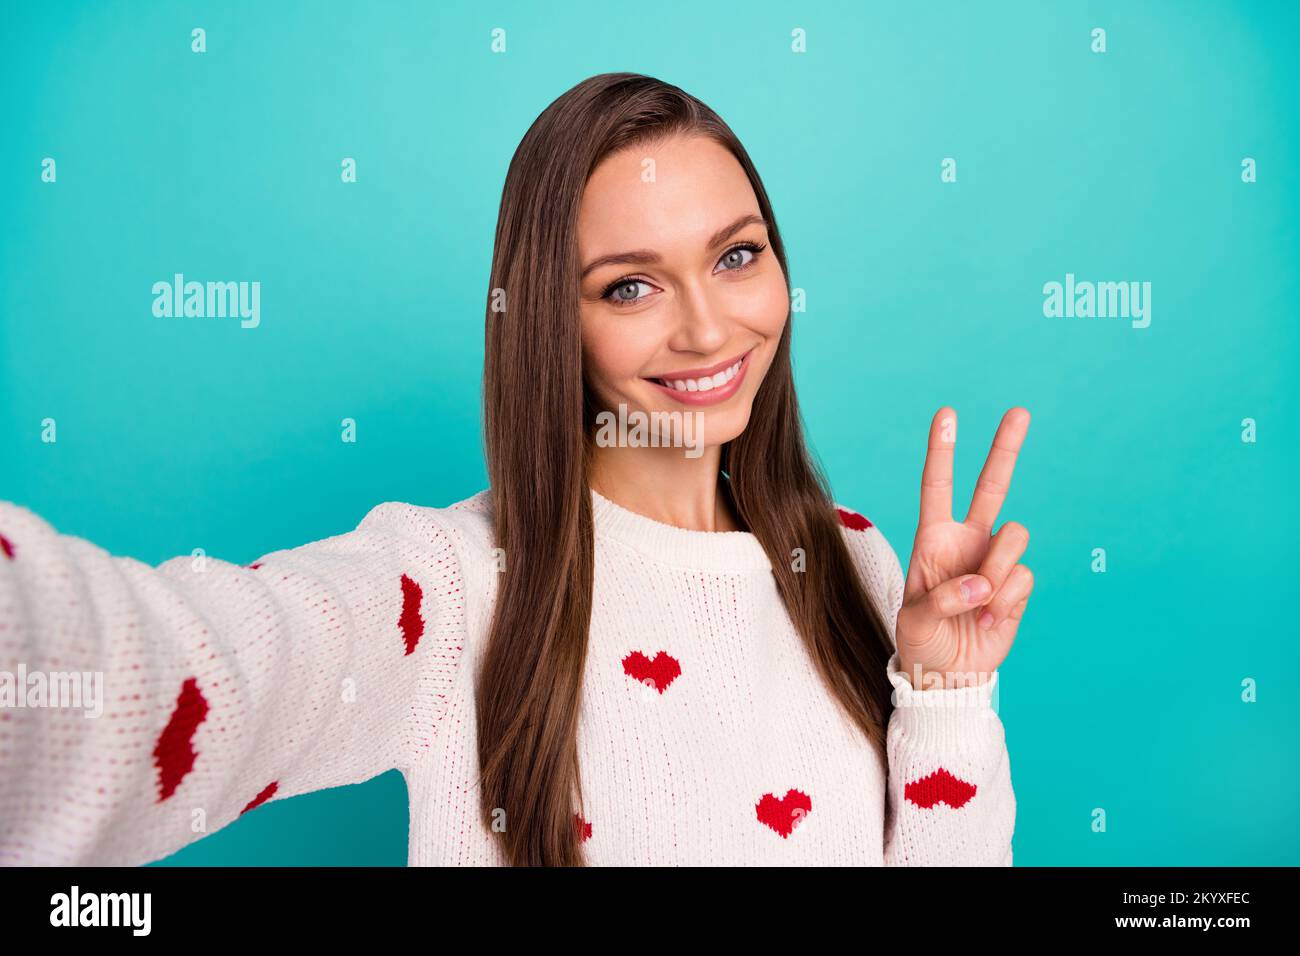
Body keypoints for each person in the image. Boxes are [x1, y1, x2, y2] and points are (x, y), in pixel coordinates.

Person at [0, 72, 1032, 867]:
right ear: (550, 319)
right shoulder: (448, 583)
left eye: (735, 255)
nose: (710, 327)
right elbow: (180, 671)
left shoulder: (852, 558)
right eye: (630, 286)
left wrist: (947, 685)